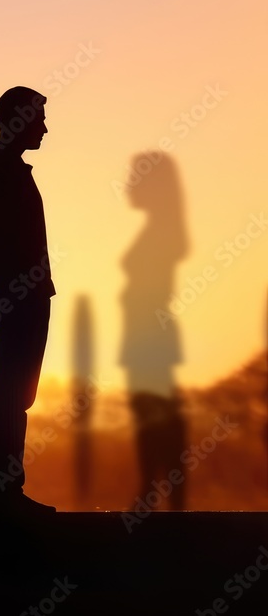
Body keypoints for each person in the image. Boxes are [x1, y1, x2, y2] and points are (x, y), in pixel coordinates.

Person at [0, 86, 56, 518]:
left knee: (16, 393)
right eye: (38, 118)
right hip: (16, 294)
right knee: (7, 391)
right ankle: (0, 494)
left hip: (31, 294)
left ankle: (7, 492)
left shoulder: (11, 171)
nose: (44, 127)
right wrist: (16, 282)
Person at [119, 151, 188, 510]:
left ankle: (158, 494)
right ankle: (159, 493)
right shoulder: (160, 228)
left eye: (137, 176)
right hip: (145, 331)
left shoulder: (161, 231)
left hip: (149, 331)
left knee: (156, 411)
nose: (129, 183)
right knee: (153, 410)